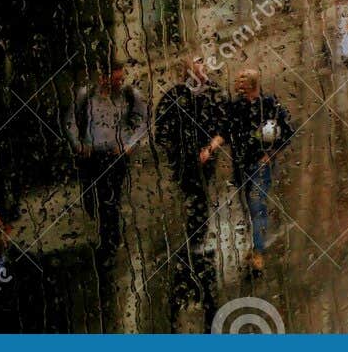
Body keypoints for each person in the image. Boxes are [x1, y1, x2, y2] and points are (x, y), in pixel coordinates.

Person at [65, 64, 148, 264]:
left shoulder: (129, 94)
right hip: (91, 155)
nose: (118, 83)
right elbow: (71, 121)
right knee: (91, 199)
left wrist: (129, 144)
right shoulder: (87, 95)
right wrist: (78, 144)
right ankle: (103, 229)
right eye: (114, 80)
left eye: (120, 79)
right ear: (103, 77)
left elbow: (144, 119)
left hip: (115, 155)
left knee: (110, 200)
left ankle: (109, 243)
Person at [153, 59, 228, 250]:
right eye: (194, 72)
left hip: (206, 156)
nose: (200, 74)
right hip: (183, 158)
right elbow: (161, 129)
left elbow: (224, 126)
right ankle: (195, 235)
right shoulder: (175, 95)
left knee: (200, 195)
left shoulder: (214, 93)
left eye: (201, 70)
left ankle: (197, 239)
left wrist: (210, 148)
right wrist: (173, 152)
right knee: (191, 194)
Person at [226, 69, 294, 274]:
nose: (237, 84)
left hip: (260, 166)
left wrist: (271, 154)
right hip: (240, 165)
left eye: (241, 81)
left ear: (251, 85)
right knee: (247, 207)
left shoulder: (269, 104)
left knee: (257, 206)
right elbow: (226, 129)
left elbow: (288, 130)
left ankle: (258, 251)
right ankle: (255, 244)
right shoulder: (235, 106)